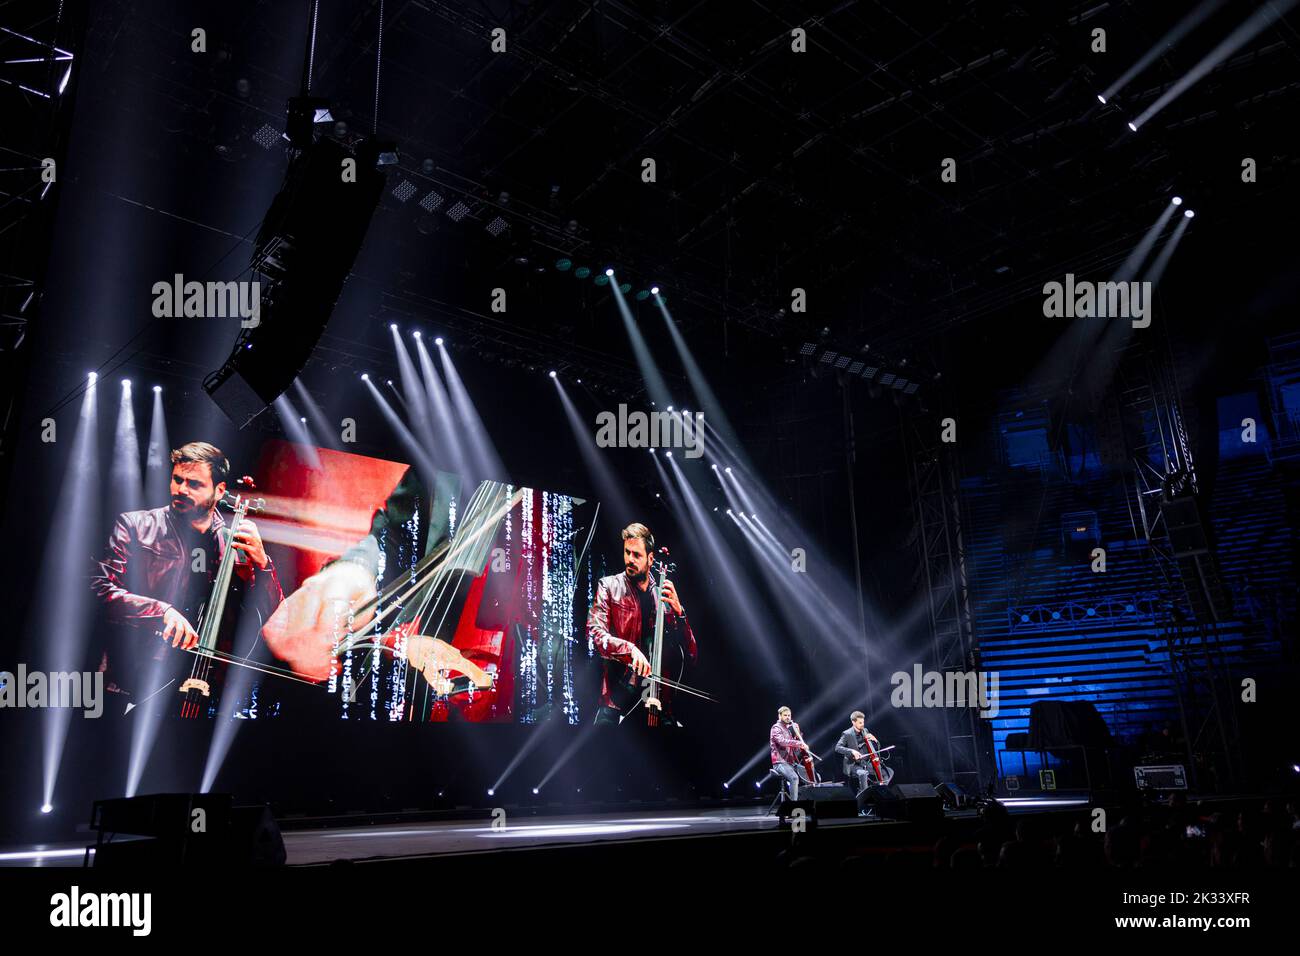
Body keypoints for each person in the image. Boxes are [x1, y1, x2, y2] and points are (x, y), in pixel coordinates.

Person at [90, 441, 283, 700]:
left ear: (219, 490)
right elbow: (98, 589)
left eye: (194, 484)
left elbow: (275, 617)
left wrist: (262, 564)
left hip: (201, 685)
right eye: (177, 479)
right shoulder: (136, 526)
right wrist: (162, 611)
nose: (181, 490)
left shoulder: (234, 543)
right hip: (130, 678)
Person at [586, 522, 696, 725]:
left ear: (650, 559)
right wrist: (629, 649)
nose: (629, 559)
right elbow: (596, 634)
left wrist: (680, 613)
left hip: (657, 702)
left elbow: (690, 652)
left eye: (637, 555)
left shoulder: (664, 595)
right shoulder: (609, 586)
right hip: (618, 700)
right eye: (627, 553)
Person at [835, 710, 884, 795]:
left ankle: (881, 790)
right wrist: (851, 751)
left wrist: (875, 740)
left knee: (887, 772)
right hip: (854, 765)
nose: (862, 724)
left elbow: (876, 747)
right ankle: (864, 796)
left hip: (866, 763)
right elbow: (837, 748)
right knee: (863, 774)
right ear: (853, 722)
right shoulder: (847, 734)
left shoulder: (865, 730)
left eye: (863, 722)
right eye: (860, 722)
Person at [769, 705, 812, 801]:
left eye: (789, 715)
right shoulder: (776, 728)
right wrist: (799, 743)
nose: (788, 717)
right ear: (779, 716)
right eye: (785, 715)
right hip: (780, 763)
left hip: (790, 763)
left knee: (810, 774)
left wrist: (798, 734)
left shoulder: (788, 729)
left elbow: (794, 749)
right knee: (794, 778)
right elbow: (782, 742)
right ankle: (793, 808)